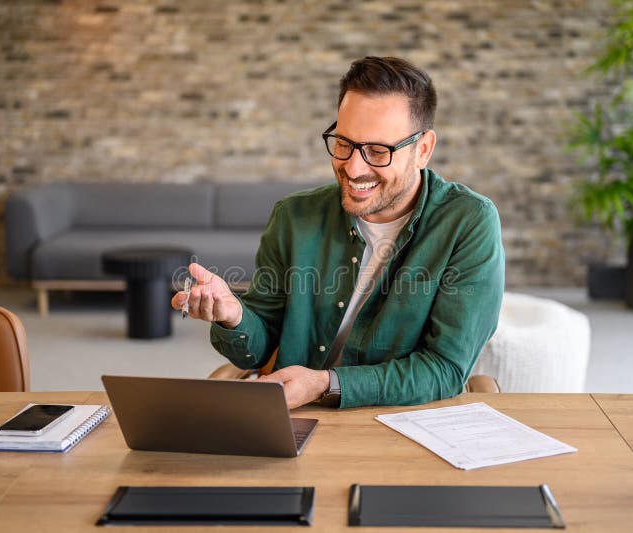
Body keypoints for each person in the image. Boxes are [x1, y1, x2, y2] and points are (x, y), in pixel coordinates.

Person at [173, 56, 504, 409]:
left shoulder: (468, 222)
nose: (353, 167)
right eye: (344, 143)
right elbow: (257, 349)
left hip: (399, 421)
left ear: (422, 150)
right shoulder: (294, 216)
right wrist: (233, 315)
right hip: (292, 416)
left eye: (378, 151)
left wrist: (324, 384)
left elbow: (445, 369)